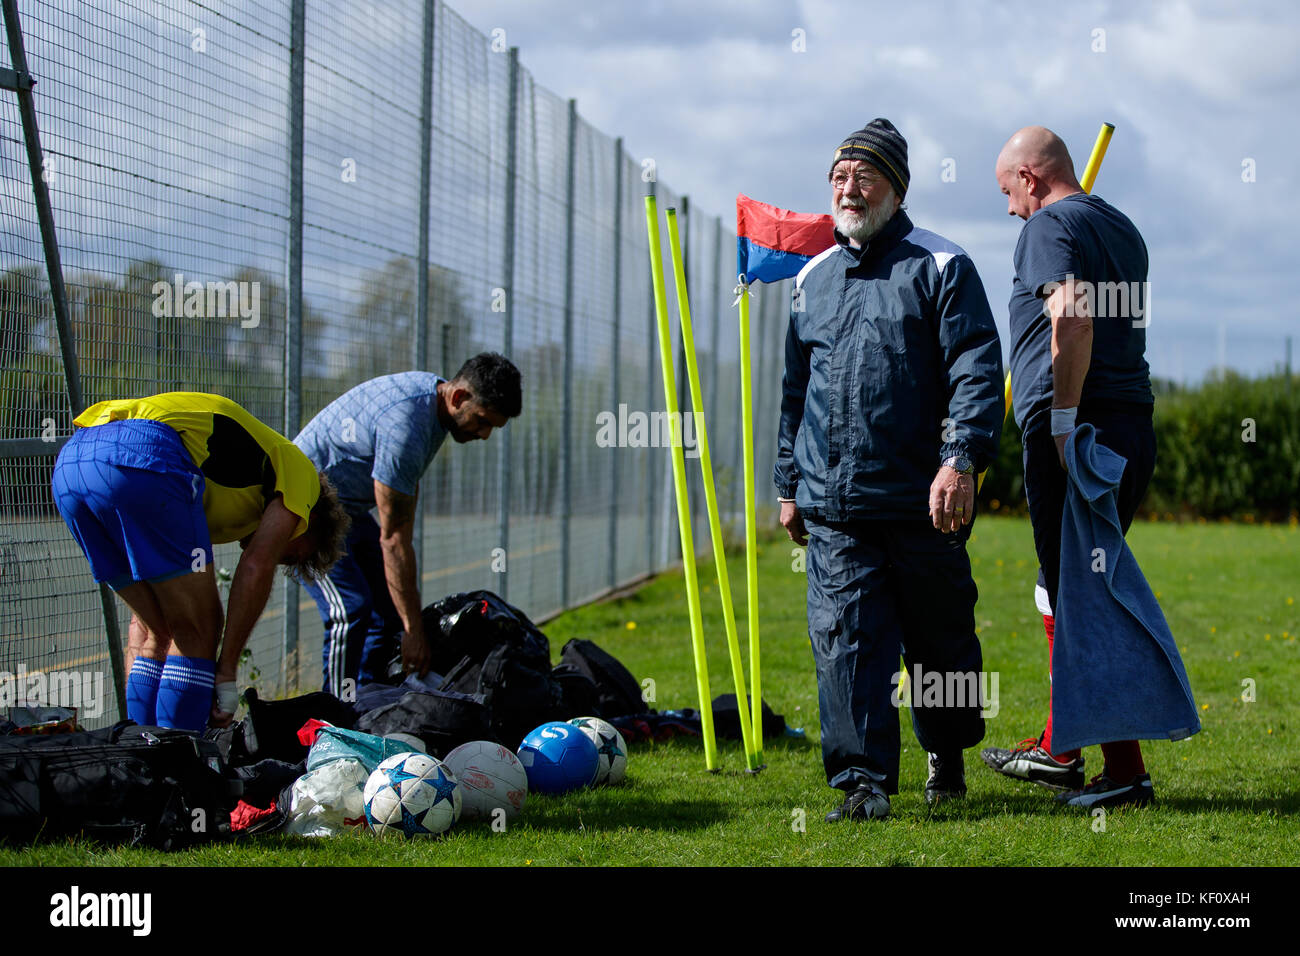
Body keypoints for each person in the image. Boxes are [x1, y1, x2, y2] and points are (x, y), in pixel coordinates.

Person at [776, 118, 1005, 821]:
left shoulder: (941, 265)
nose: (848, 188)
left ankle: (948, 749)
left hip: (924, 501)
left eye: (863, 176)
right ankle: (862, 782)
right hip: (836, 505)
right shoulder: (811, 277)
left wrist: (960, 458)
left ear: (895, 188)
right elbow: (795, 391)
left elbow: (975, 368)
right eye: (839, 177)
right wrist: (789, 484)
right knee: (847, 642)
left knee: (940, 643)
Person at [981, 125, 1157, 808]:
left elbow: (1074, 315)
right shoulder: (1122, 227)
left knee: (1077, 597)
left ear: (1029, 177)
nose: (1008, 211)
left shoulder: (1049, 225)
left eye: (1007, 193)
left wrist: (1059, 419)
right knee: (1071, 590)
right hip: (1129, 425)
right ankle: (1065, 747)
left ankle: (1120, 773)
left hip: (1079, 429)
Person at [51, 391, 349, 732]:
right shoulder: (303, 476)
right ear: (312, 520)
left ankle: (138, 756)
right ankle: (183, 768)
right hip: (140, 454)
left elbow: (143, 621)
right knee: (200, 626)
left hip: (72, 465)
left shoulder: (226, 503)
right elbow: (256, 565)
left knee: (155, 628)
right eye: (294, 554)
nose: (283, 554)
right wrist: (225, 674)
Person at [294, 353, 522, 698]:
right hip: (300, 505)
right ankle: (334, 716)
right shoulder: (407, 425)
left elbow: (399, 525)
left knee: (388, 616)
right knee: (349, 610)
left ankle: (368, 703)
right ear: (458, 397)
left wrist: (407, 623)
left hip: (345, 511)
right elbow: (395, 540)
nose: (485, 434)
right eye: (482, 421)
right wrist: (414, 632)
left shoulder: (432, 405)